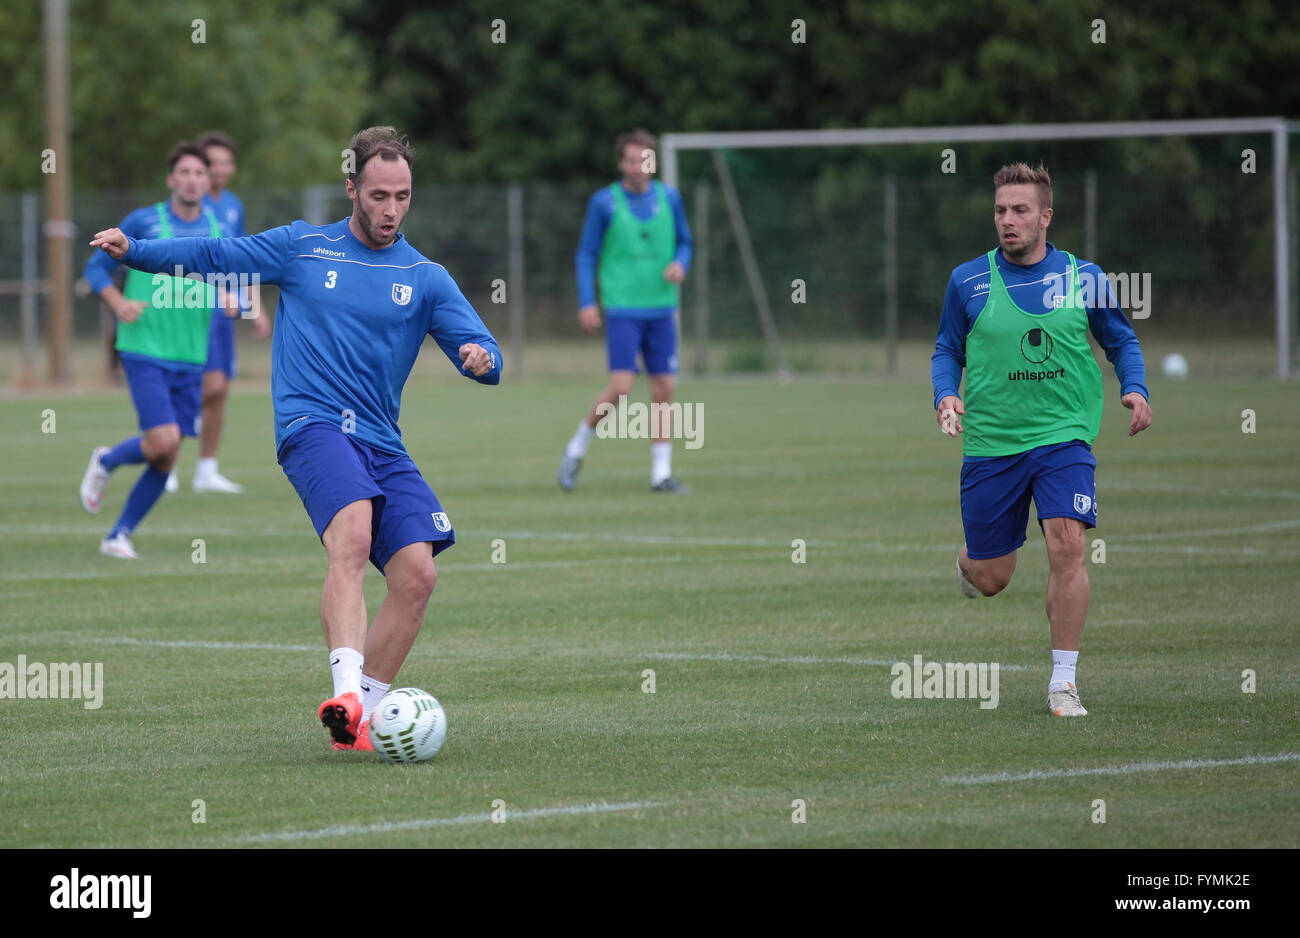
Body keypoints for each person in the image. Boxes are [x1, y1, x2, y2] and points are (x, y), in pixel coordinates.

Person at [91, 127, 502, 752]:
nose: (391, 209)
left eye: (403, 197)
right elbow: (213, 258)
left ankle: (358, 716)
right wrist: (134, 251)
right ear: (352, 189)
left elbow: (487, 349)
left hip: (383, 442)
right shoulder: (302, 246)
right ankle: (343, 689)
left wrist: (481, 359)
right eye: (379, 195)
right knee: (354, 534)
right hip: (311, 427)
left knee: (418, 575)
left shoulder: (426, 276)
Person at [931, 162, 1152, 717]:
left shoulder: (1085, 278)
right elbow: (946, 349)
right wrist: (945, 394)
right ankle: (968, 565)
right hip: (991, 443)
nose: (1008, 220)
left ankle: (1063, 684)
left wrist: (1136, 388)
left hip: (1063, 437)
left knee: (1067, 544)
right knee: (992, 578)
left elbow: (1121, 341)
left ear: (1045, 216)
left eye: (1021, 210)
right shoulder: (967, 280)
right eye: (1001, 211)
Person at [80, 141, 237, 559]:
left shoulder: (220, 229)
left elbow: (236, 278)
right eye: (183, 172)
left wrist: (235, 298)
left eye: (199, 173)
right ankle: (108, 461)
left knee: (166, 456)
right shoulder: (143, 221)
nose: (191, 179)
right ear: (171, 179)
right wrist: (117, 302)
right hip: (143, 346)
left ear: (209, 181)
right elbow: (95, 267)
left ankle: (118, 534)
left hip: (190, 355)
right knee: (164, 440)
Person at [558, 128, 693, 493]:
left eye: (644, 159)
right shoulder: (605, 202)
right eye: (631, 160)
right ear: (621, 163)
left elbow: (685, 241)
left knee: (664, 387)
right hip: (622, 307)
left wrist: (681, 262)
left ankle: (661, 474)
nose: (638, 167)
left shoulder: (670, 198)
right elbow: (586, 253)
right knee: (621, 386)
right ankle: (576, 448)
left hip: (661, 307)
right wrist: (588, 300)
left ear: (654, 162)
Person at [162, 130, 270, 494]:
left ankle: (207, 469)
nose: (218, 169)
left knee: (219, 387)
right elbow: (179, 260)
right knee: (190, 384)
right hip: (188, 310)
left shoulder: (232, 205)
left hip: (222, 313)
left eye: (225, 162)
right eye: (212, 163)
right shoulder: (187, 205)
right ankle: (169, 463)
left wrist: (255, 305)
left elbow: (245, 255)